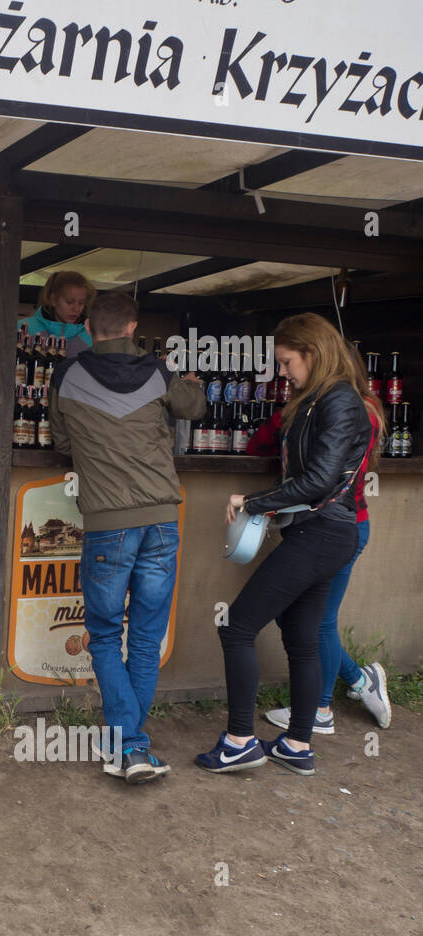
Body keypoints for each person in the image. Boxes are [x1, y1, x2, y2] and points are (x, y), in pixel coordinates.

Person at [197, 314, 374, 777]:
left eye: (288, 361)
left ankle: (239, 741)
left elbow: (318, 480)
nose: (284, 372)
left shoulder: (338, 401)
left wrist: (253, 502)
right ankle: (297, 745)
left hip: (322, 534)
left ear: (312, 354)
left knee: (235, 627)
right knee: (301, 638)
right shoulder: (321, 399)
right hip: (325, 533)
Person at [51, 292, 206, 783]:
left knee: (103, 634)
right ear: (133, 326)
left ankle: (129, 745)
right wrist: (188, 385)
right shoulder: (159, 373)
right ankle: (129, 742)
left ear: (89, 327)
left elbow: (60, 442)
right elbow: (196, 407)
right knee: (143, 638)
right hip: (162, 520)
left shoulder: (67, 375)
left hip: (108, 524)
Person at [246, 378, 392, 735]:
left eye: (290, 364)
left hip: (331, 528)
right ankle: (358, 680)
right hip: (349, 525)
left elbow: (257, 444)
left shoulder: (316, 409)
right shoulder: (368, 410)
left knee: (314, 621)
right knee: (299, 619)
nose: (288, 375)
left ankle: (321, 709)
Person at [19, 270, 94, 358]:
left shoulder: (92, 336)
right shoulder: (23, 329)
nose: (76, 308)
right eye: (69, 302)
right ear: (53, 300)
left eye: (81, 303)